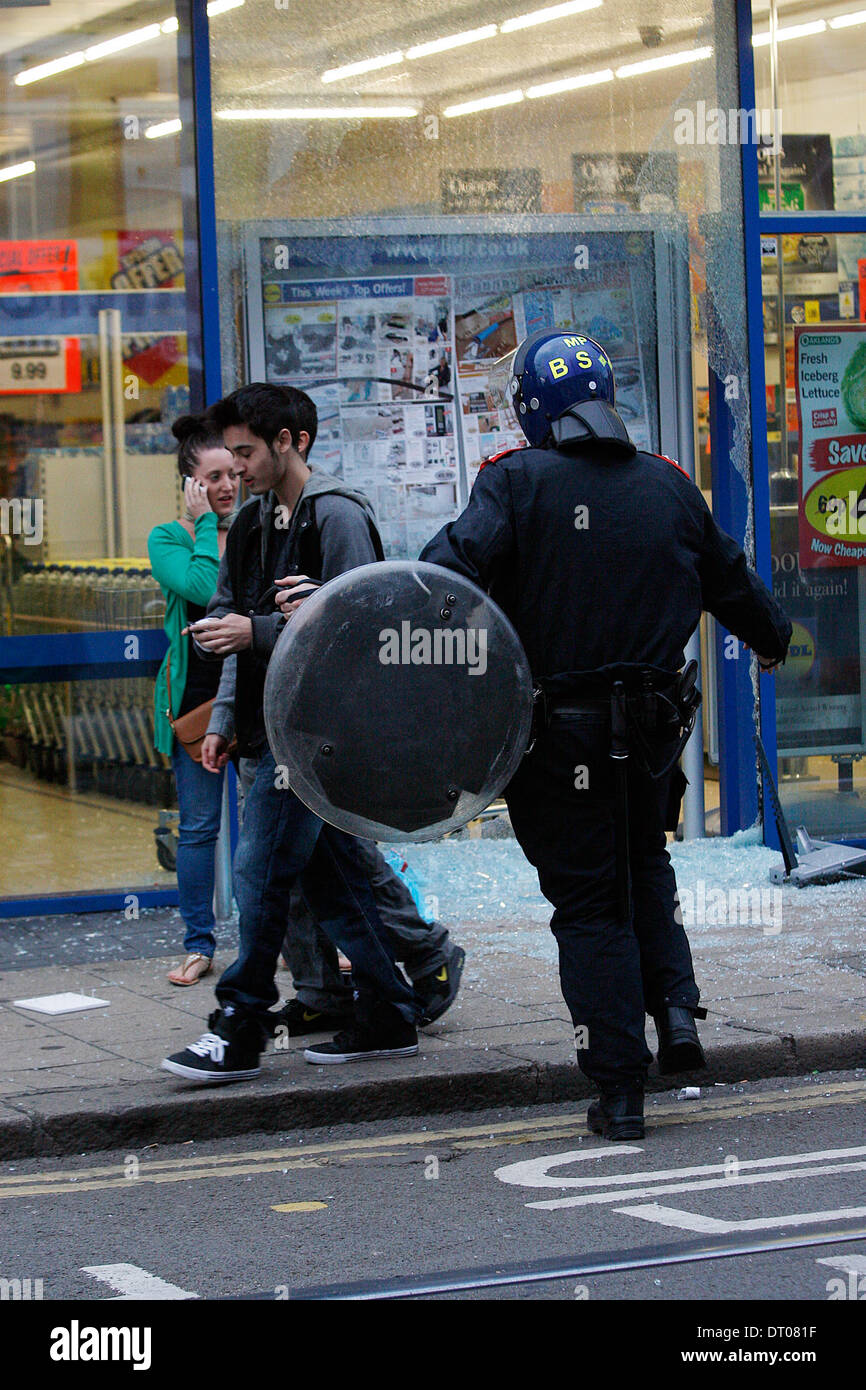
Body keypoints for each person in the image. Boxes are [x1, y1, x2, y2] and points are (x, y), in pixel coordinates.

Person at [420, 329, 792, 1140]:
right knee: (644, 863)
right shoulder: (668, 486)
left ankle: (620, 1090)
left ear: (529, 410)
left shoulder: (513, 483)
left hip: (558, 741)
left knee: (590, 908)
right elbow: (737, 587)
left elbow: (437, 579)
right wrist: (773, 640)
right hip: (655, 736)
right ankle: (679, 1017)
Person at [161, 383, 459, 1084]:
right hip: (275, 729)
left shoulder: (337, 516)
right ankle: (388, 1011)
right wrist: (228, 717)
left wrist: (260, 629)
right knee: (328, 882)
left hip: (325, 736)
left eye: (245, 453)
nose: (234, 471)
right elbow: (233, 614)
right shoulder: (259, 519)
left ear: (292, 441)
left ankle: (241, 1022)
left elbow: (365, 629)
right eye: (227, 457)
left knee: (258, 873)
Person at [148, 415, 239, 986]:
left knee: (264, 828)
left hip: (250, 699)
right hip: (194, 708)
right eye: (214, 476)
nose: (228, 485)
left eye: (233, 473)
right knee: (201, 828)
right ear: (190, 483)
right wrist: (206, 525)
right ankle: (198, 944)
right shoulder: (169, 539)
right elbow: (205, 590)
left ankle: (272, 939)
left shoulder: (257, 524)